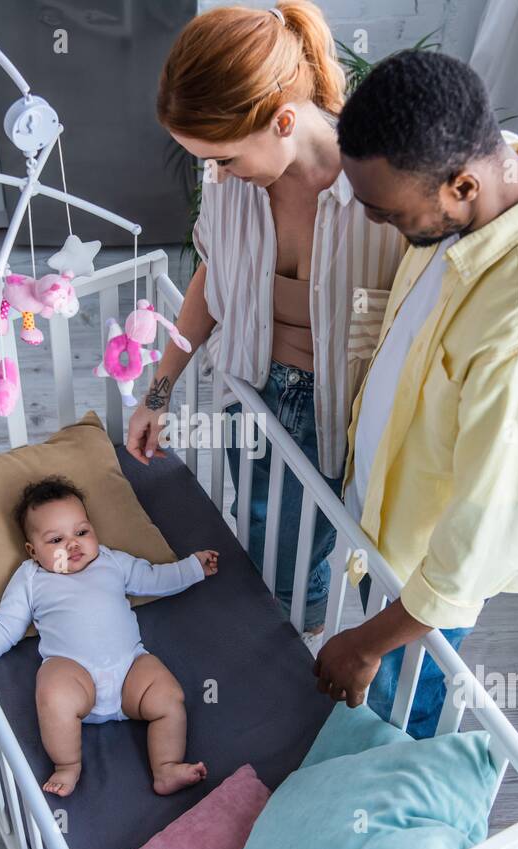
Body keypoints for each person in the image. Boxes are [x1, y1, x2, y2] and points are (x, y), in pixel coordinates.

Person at [314, 51, 518, 738]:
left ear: (461, 186)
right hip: (383, 518)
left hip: (423, 579)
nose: (382, 228)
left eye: (389, 215)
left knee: (389, 721)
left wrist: (367, 642)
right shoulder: (480, 193)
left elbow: (486, 530)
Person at [127, 1, 406, 639]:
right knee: (259, 528)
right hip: (252, 390)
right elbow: (211, 276)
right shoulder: (231, 181)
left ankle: (306, 643)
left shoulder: (383, 197)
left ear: (283, 121)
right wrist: (159, 391)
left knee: (330, 554)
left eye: (224, 158)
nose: (215, 174)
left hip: (348, 413)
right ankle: (278, 632)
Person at [0, 477, 217, 798]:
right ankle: (68, 765)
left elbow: (155, 577)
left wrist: (193, 568)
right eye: (56, 539)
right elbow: (4, 627)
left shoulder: (112, 561)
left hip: (131, 669)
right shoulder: (31, 578)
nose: (73, 545)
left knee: (169, 696)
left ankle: (166, 766)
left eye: (82, 532)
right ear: (33, 551)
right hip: (75, 676)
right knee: (52, 693)